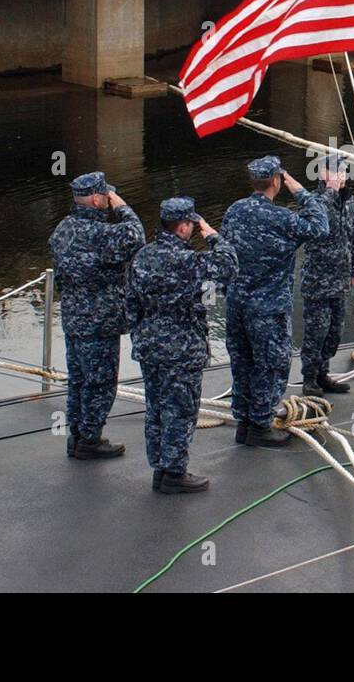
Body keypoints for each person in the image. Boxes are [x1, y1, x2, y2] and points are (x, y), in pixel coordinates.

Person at [126, 197, 237, 494]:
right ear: (185, 226)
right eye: (192, 224)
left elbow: (131, 305)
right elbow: (228, 265)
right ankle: (174, 472)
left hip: (150, 346)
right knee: (181, 409)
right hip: (181, 349)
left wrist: (140, 335)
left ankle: (160, 468)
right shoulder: (188, 261)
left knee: (156, 408)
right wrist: (212, 235)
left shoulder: (142, 257)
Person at [221, 156, 328, 446]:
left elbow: (224, 251)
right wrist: (298, 189)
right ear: (277, 182)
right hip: (267, 309)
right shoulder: (281, 219)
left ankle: (243, 422)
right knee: (270, 364)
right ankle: (259, 424)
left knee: (242, 363)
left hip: (237, 305)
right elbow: (320, 227)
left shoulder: (234, 211)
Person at [48, 171, 145, 458]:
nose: (109, 198)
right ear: (95, 198)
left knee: (78, 379)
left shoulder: (62, 230)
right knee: (101, 382)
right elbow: (136, 235)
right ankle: (90, 439)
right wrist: (121, 205)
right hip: (100, 320)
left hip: (73, 317)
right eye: (106, 194)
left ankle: (76, 435)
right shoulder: (103, 234)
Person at [299, 154, 354, 397]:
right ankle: (310, 378)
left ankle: (323, 374)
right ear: (324, 174)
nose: (342, 176)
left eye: (344, 172)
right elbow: (312, 225)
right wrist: (331, 192)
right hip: (318, 282)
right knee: (316, 332)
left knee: (334, 331)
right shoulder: (313, 201)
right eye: (336, 172)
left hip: (340, 280)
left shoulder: (349, 201)